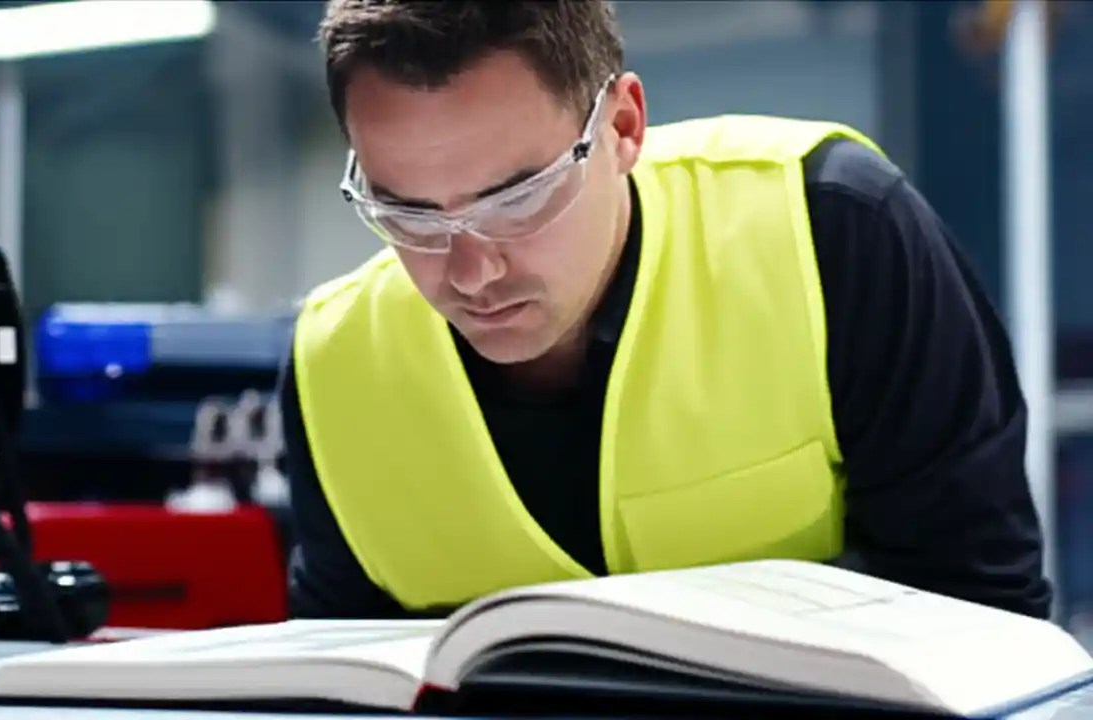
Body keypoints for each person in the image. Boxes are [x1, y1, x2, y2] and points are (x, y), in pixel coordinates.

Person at [276, 0, 1052, 621]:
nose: (472, 271)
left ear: (622, 126)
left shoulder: (832, 230)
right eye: (406, 213)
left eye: (518, 198)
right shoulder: (334, 365)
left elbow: (988, 619)